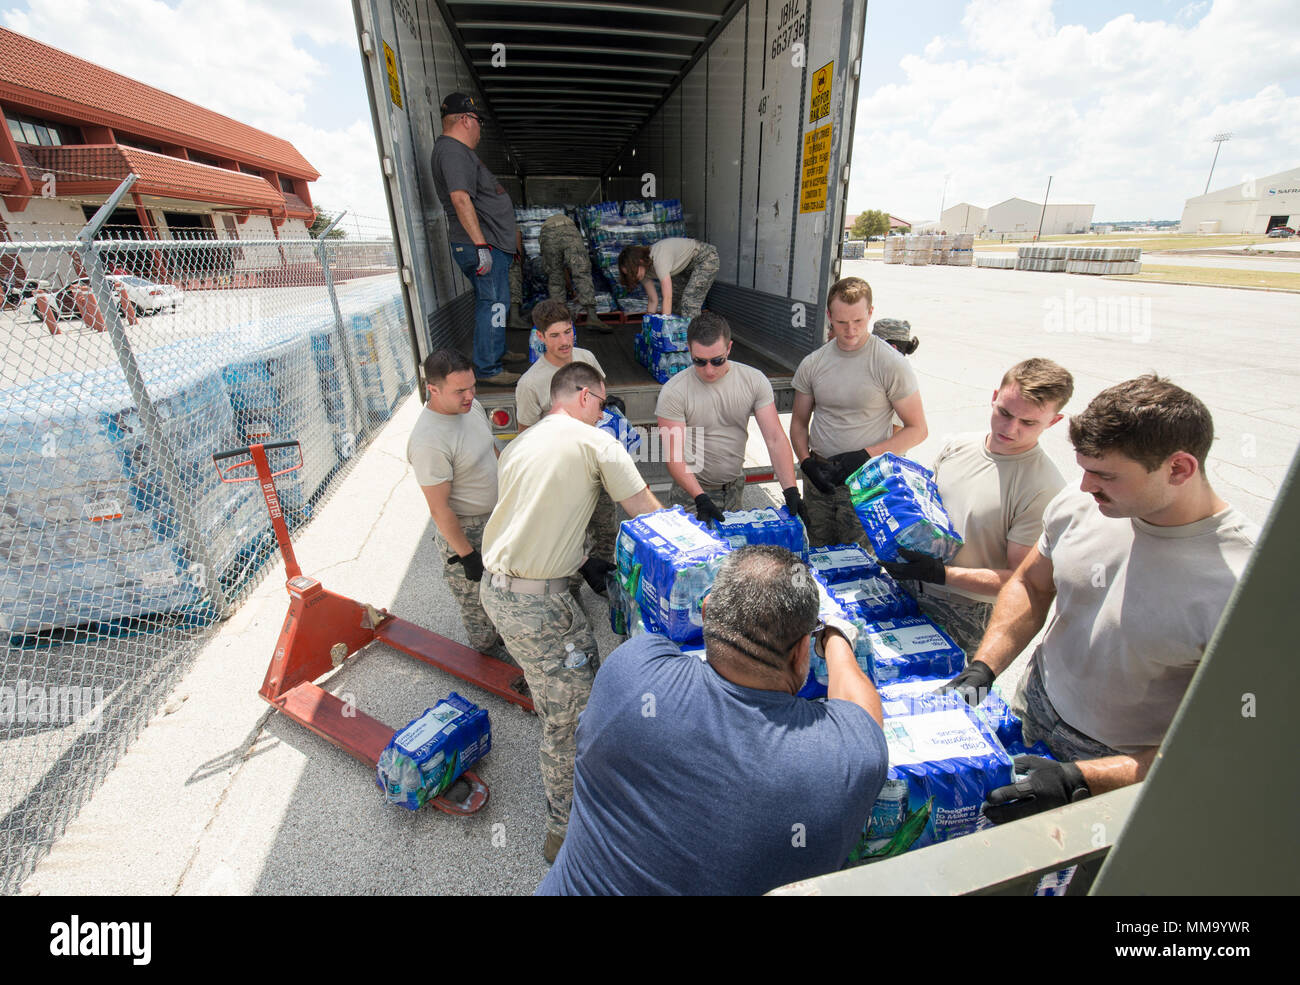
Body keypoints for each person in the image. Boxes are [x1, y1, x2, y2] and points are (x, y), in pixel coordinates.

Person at [941, 375, 1259, 822]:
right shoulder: (1081, 501)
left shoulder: (1245, 586)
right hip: (1034, 708)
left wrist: (1083, 778)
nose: (1087, 485)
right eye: (1084, 468)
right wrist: (985, 665)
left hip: (1119, 766)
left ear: (1179, 469)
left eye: (1106, 474)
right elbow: (1032, 583)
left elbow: (1221, 740)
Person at [537, 545, 887, 896]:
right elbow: (863, 713)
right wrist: (836, 639)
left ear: (705, 613)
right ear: (800, 652)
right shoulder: (836, 759)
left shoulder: (631, 670)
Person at [479, 361, 663, 862]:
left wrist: (585, 562)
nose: (605, 414)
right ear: (583, 396)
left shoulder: (521, 443)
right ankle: (566, 831)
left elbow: (533, 515)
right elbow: (648, 514)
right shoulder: (597, 441)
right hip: (536, 606)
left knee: (577, 684)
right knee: (574, 716)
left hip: (502, 591)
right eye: (603, 403)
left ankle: (583, 784)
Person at [879, 359, 1073, 658]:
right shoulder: (959, 446)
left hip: (964, 611)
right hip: (908, 585)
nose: (1010, 428)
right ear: (994, 396)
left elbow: (1020, 581)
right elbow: (926, 511)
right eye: (1004, 413)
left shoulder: (1043, 487)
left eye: (1028, 423)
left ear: (1054, 421)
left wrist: (942, 574)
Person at [790, 276, 928, 549]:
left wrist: (865, 456)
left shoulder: (890, 363)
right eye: (841, 323)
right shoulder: (814, 363)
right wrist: (806, 462)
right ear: (829, 316)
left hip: (865, 483)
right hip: (820, 479)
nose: (850, 330)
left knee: (860, 561)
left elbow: (917, 430)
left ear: (870, 313)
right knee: (817, 554)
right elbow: (798, 422)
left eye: (858, 322)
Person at [405, 348, 508, 659]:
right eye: (460, 390)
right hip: (468, 530)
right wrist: (467, 555)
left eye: (472, 386)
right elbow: (439, 509)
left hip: (495, 517)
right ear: (432, 389)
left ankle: (506, 636)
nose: (470, 395)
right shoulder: (428, 440)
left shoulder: (470, 407)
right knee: (477, 604)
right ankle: (489, 658)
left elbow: (492, 450)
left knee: (504, 590)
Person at [654, 311, 803, 525]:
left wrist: (790, 490)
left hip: (734, 490)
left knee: (734, 556)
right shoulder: (674, 392)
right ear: (688, 350)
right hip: (691, 494)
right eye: (699, 361)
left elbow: (775, 438)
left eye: (717, 360)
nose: (709, 370)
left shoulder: (753, 381)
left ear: (729, 348)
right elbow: (675, 457)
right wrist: (700, 497)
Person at [429, 92, 523, 386]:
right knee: (492, 303)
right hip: (483, 245)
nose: (480, 129)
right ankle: (488, 368)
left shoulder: (456, 151)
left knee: (498, 302)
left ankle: (496, 351)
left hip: (492, 244)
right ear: (466, 120)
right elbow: (460, 198)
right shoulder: (453, 151)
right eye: (478, 121)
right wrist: (482, 246)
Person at [514, 299, 617, 566]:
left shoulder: (587, 358)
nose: (564, 341)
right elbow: (525, 436)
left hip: (596, 463)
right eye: (555, 335)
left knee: (606, 531)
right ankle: (570, 593)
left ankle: (604, 579)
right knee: (568, 540)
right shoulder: (530, 383)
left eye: (568, 331)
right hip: (563, 473)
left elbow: (601, 398)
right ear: (540, 336)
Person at [618, 238, 719, 319]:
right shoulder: (642, 272)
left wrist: (664, 327)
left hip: (704, 257)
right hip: (684, 267)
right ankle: (680, 339)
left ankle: (696, 340)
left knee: (689, 302)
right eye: (629, 274)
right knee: (676, 305)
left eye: (633, 272)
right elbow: (653, 300)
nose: (633, 276)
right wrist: (647, 328)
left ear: (640, 261)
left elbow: (667, 297)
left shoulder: (659, 258)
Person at [539, 212, 607, 332]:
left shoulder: (548, 225)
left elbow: (561, 271)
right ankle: (592, 317)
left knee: (555, 276)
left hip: (547, 233)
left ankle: (559, 319)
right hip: (567, 228)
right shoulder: (569, 223)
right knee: (581, 271)